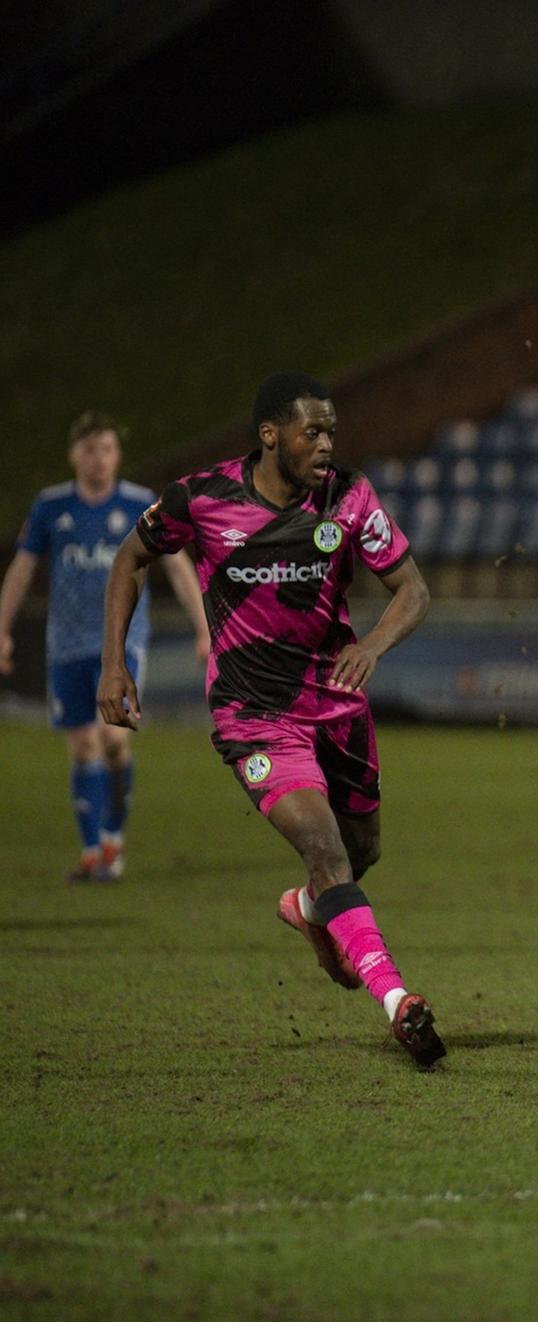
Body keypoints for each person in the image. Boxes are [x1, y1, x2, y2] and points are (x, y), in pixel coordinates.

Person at [97, 372, 446, 1068]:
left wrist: (371, 645)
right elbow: (132, 556)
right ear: (269, 436)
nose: (325, 444)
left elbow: (413, 589)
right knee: (324, 846)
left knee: (360, 851)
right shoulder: (202, 500)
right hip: (253, 715)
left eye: (331, 433)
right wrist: (113, 664)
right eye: (311, 431)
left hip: (335, 703)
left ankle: (312, 909)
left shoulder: (348, 497)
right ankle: (399, 1001)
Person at [0, 411, 208, 882]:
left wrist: (202, 628)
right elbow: (22, 568)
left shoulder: (140, 504)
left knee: (113, 739)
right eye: (90, 449)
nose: (99, 459)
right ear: (75, 454)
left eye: (108, 449)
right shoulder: (51, 507)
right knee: (82, 746)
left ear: (118, 455)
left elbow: (176, 566)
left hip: (122, 641)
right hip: (67, 644)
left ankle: (113, 836)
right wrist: (2, 627)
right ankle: (94, 851)